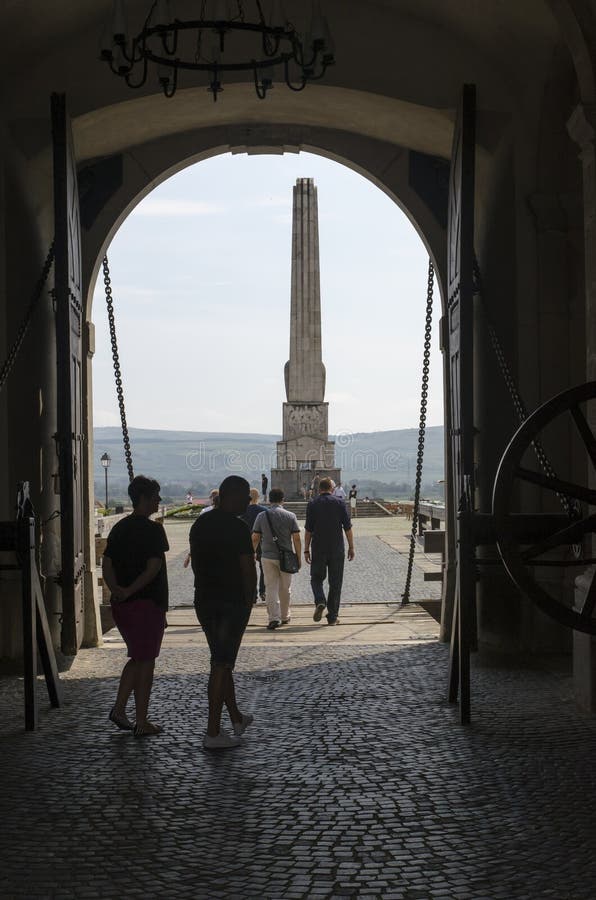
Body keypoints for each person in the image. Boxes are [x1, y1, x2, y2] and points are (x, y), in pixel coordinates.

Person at [190, 475, 256, 750]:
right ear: (232, 496)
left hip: (205, 599)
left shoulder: (199, 525)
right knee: (221, 664)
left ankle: (236, 718)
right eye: (244, 497)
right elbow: (247, 567)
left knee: (222, 660)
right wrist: (250, 598)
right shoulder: (238, 528)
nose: (248, 502)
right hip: (231, 601)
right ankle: (213, 732)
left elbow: (195, 564)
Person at [102, 475, 168, 737]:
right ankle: (142, 721)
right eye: (156, 496)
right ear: (145, 498)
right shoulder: (153, 530)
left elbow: (107, 564)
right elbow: (153, 568)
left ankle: (119, 710)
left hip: (124, 605)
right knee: (146, 662)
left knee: (137, 657)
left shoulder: (119, 528)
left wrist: (116, 589)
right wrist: (130, 590)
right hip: (146, 603)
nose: (159, 500)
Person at [304, 476, 355, 625]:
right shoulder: (339, 503)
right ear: (332, 489)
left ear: (319, 489)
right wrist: (351, 546)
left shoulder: (312, 504)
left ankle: (320, 600)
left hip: (319, 547)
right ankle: (332, 617)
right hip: (336, 548)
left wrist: (306, 549)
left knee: (316, 578)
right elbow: (347, 527)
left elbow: (308, 530)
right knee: (335, 582)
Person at [252, 488, 301, 630]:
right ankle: (285, 616)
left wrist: (251, 553)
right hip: (286, 556)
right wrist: (298, 556)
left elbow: (255, 537)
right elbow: (296, 538)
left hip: (267, 557)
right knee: (285, 587)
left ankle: (274, 618)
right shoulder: (290, 516)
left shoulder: (262, 516)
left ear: (269, 500)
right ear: (283, 500)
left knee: (271, 587)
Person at [241, 487, 267, 602]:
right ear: (258, 497)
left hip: (246, 543)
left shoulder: (242, 511)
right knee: (263, 568)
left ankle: (253, 594)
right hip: (262, 541)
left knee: (249, 569)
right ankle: (263, 591)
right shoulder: (264, 510)